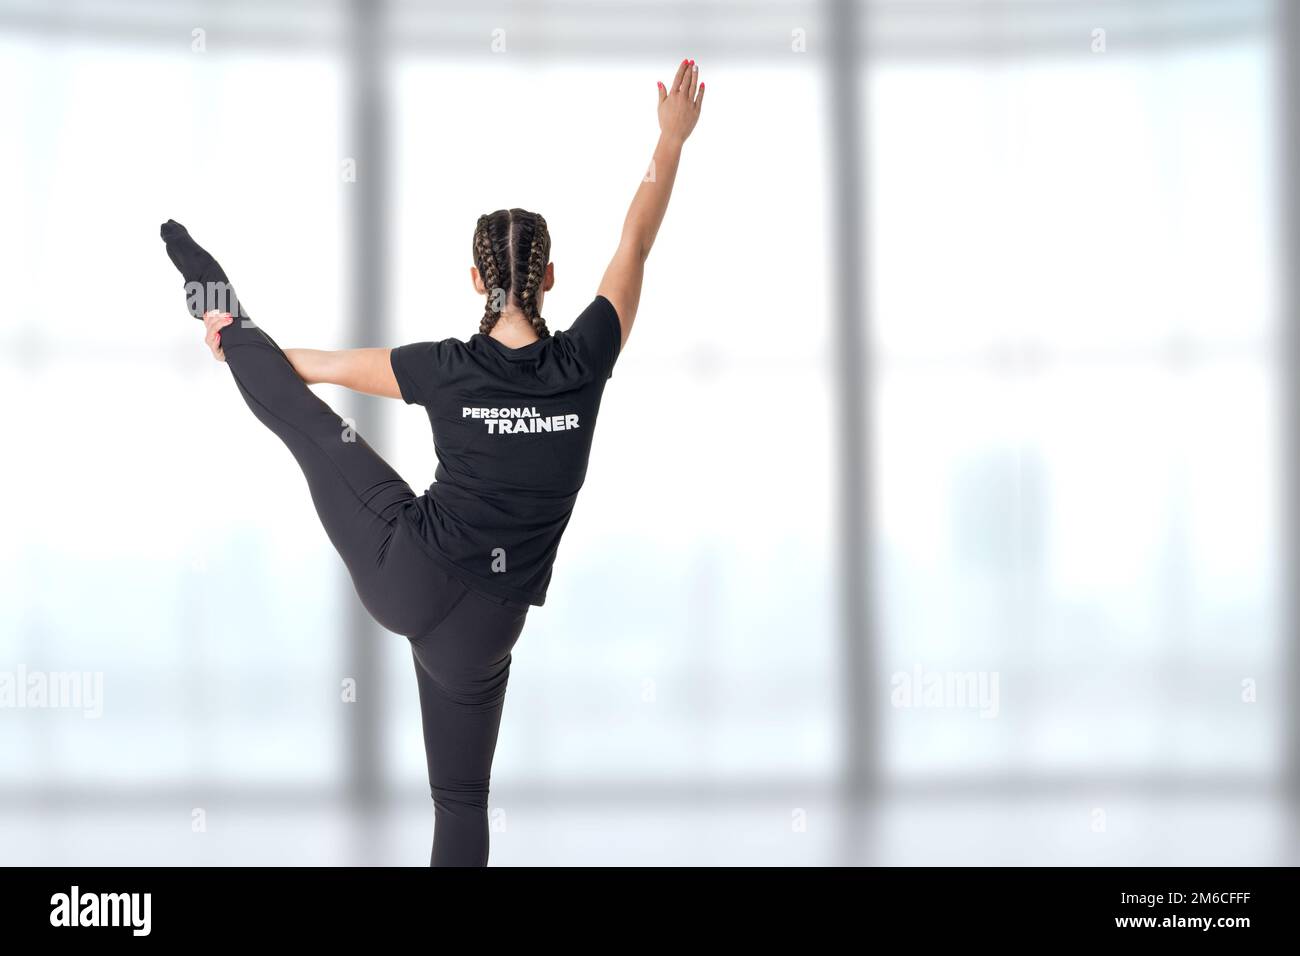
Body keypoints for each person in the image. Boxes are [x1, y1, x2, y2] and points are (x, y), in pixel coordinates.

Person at [159, 59, 704, 866]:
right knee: (460, 803)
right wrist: (671, 142)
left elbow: (324, 371)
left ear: (477, 280)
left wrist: (243, 346)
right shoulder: (587, 357)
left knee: (311, 431)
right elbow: (637, 242)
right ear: (550, 278)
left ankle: (216, 307)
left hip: (404, 566)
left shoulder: (443, 366)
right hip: (486, 629)